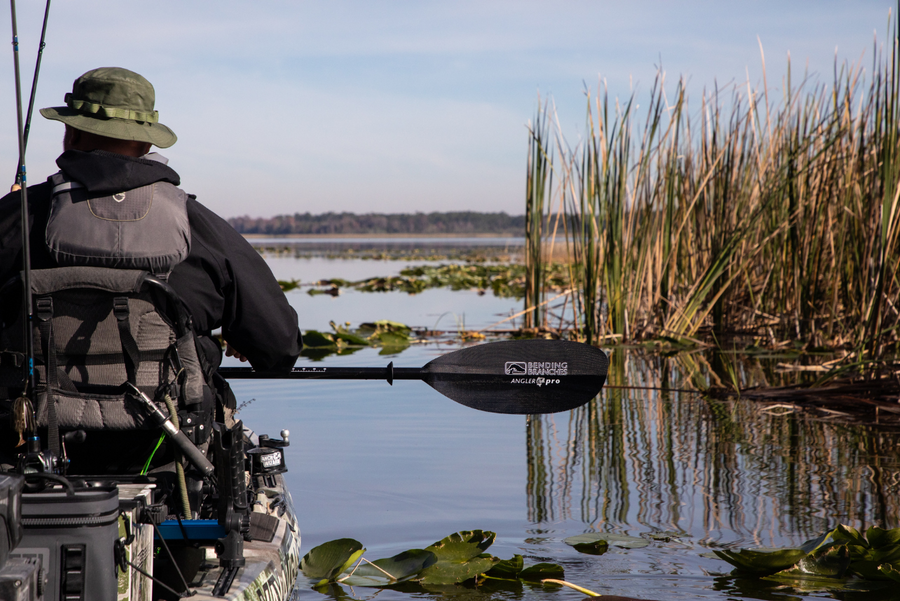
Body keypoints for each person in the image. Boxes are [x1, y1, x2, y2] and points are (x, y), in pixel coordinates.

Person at [0, 67, 302, 468]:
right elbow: (279, 348)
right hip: (167, 450)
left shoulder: (13, 220)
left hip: (33, 447)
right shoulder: (201, 227)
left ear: (70, 134)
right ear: (145, 143)